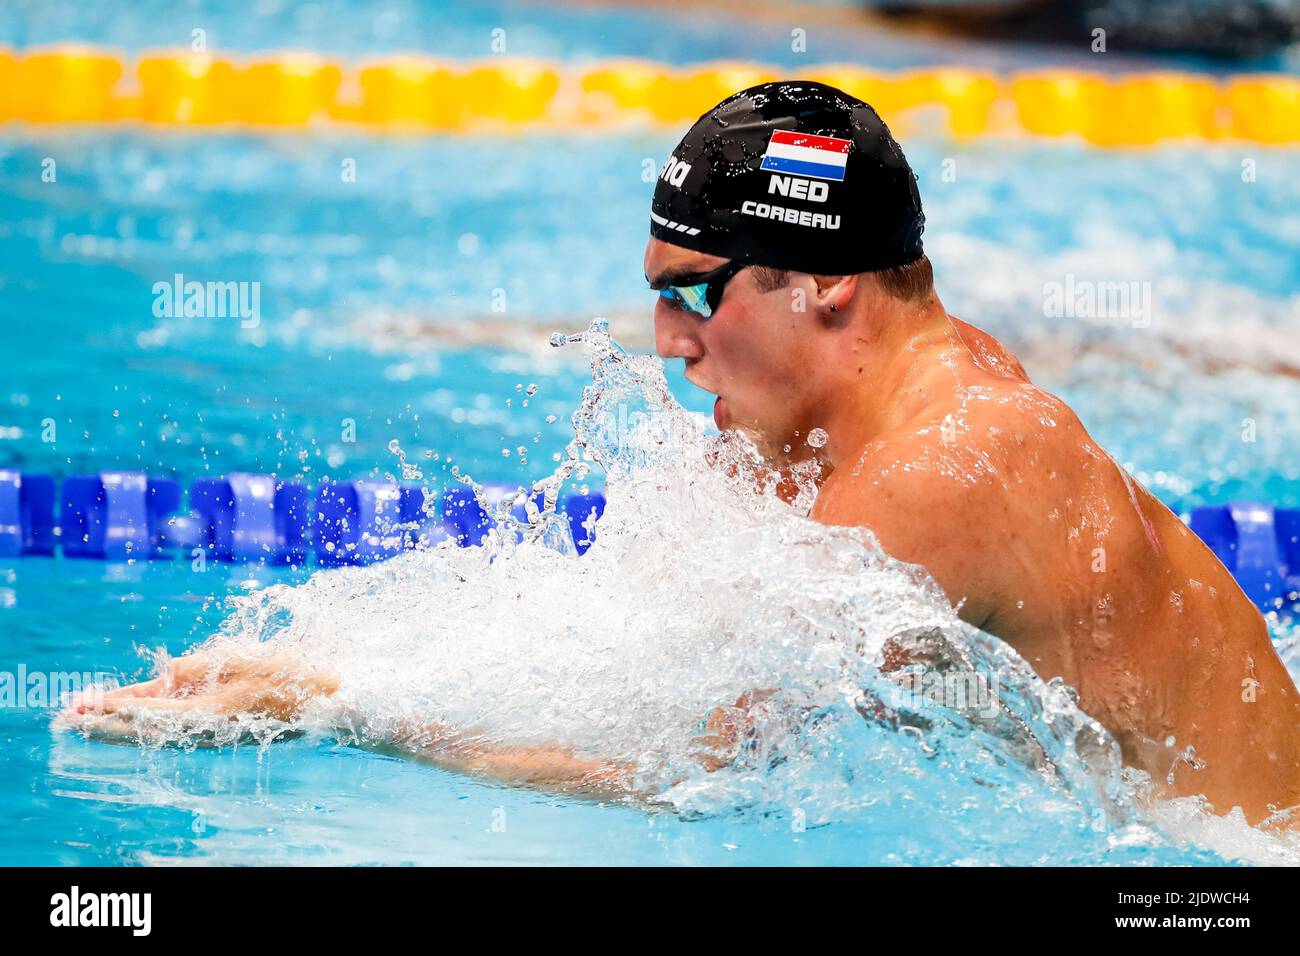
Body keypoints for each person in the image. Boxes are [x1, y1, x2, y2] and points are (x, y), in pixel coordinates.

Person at [65, 81, 1300, 826]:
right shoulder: (872, 408)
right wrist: (323, 643)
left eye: (694, 295)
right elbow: (644, 636)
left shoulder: (950, 464)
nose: (663, 342)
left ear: (818, 281)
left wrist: (339, 708)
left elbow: (682, 765)